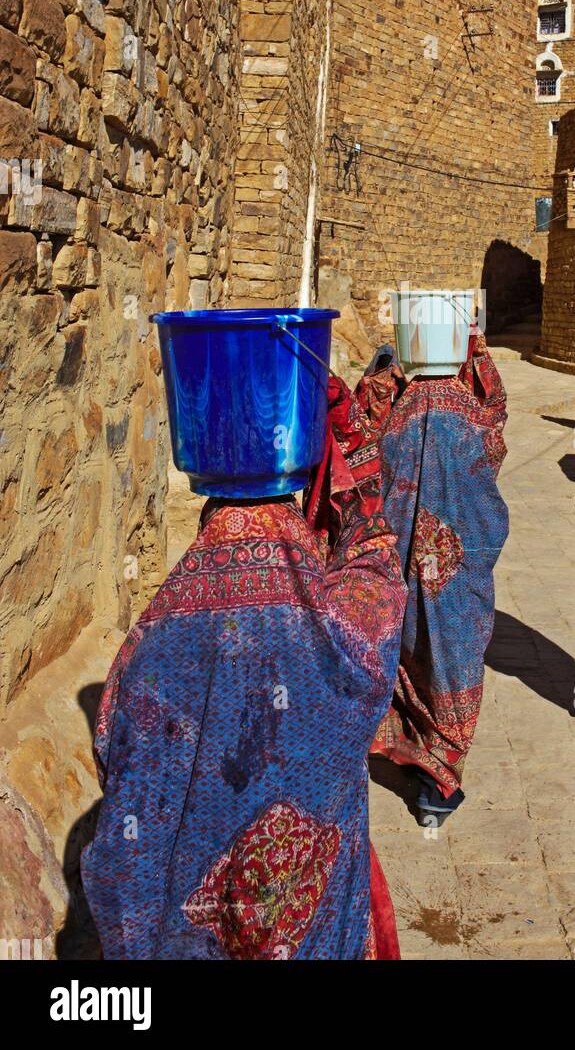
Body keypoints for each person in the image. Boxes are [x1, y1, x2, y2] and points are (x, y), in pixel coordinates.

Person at [81, 378, 407, 960]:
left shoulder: (150, 646)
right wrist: (349, 440)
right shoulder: (345, 637)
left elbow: (120, 790)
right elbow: (376, 557)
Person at [358, 331, 508, 824]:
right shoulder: (471, 418)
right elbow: (491, 491)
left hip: (403, 567)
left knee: (408, 649)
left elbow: (365, 475)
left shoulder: (396, 416)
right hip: (457, 580)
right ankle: (440, 782)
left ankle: (409, 749)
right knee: (453, 658)